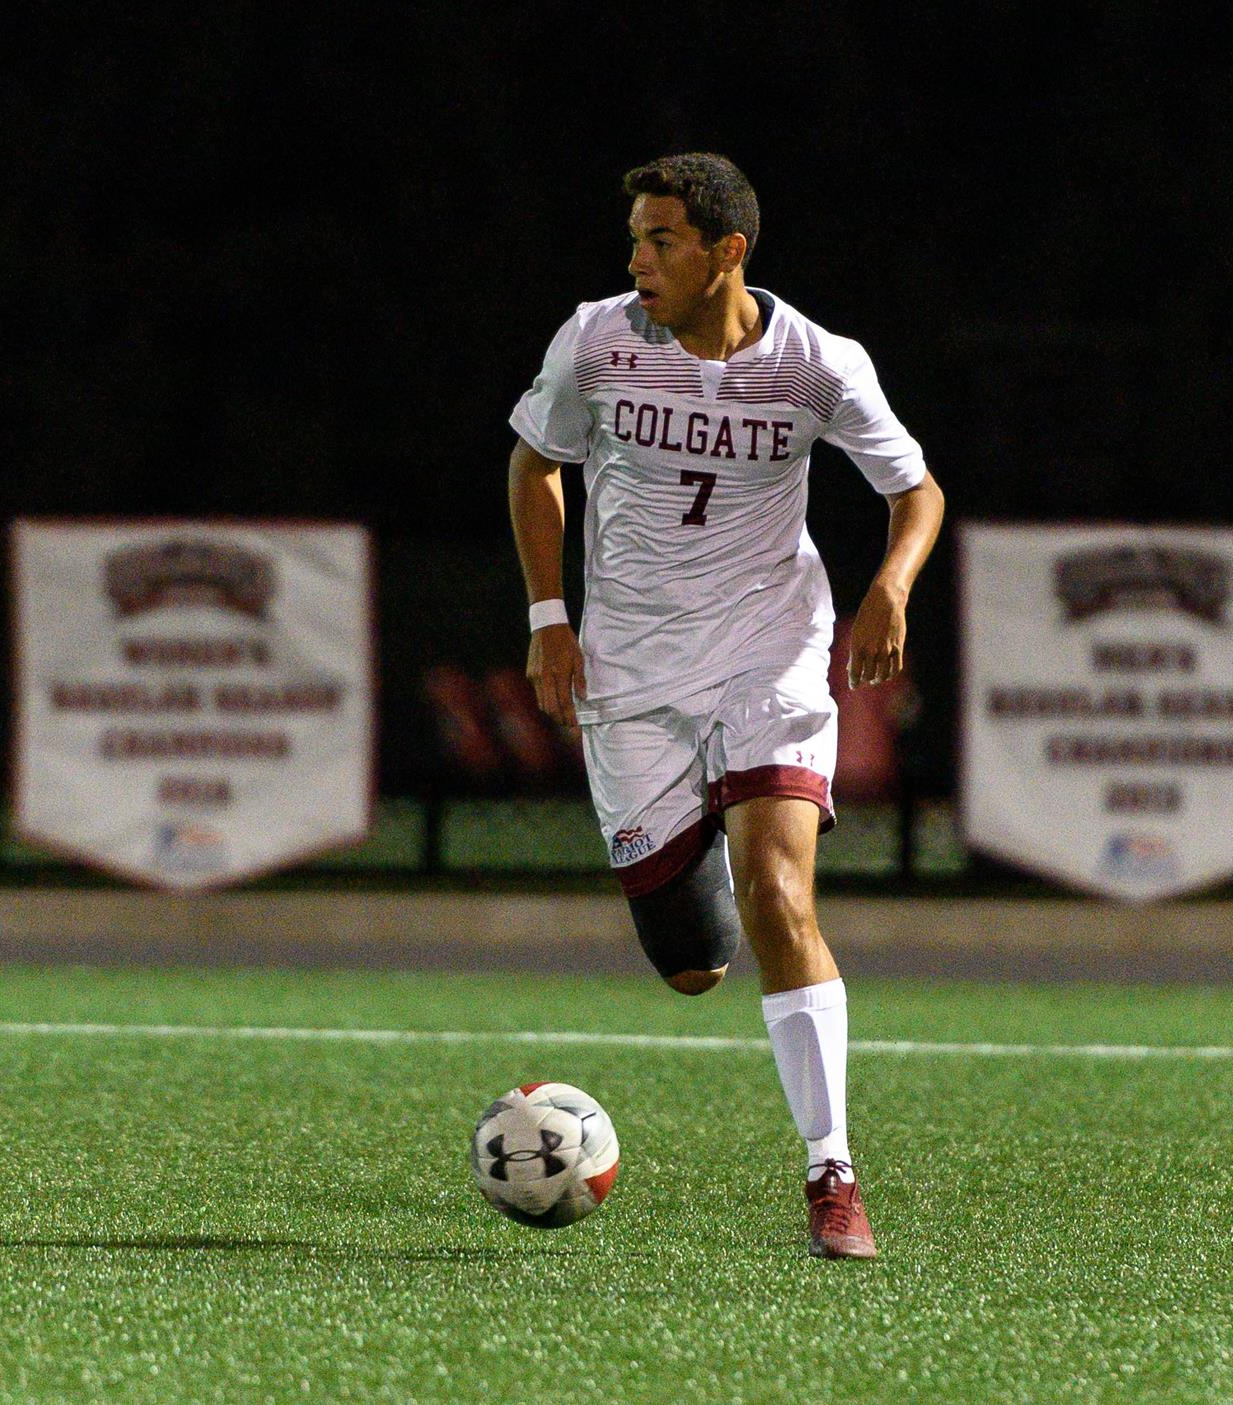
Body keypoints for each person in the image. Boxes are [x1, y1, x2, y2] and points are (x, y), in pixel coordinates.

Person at [505, 152, 945, 1259]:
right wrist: (547, 615)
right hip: (635, 672)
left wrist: (889, 585)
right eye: (635, 241)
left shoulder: (815, 364)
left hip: (770, 652)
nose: (637, 260)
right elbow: (532, 464)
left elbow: (915, 490)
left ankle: (831, 1176)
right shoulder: (595, 339)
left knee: (778, 891)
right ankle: (721, 884)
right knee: (695, 963)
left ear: (726, 252)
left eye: (660, 241)